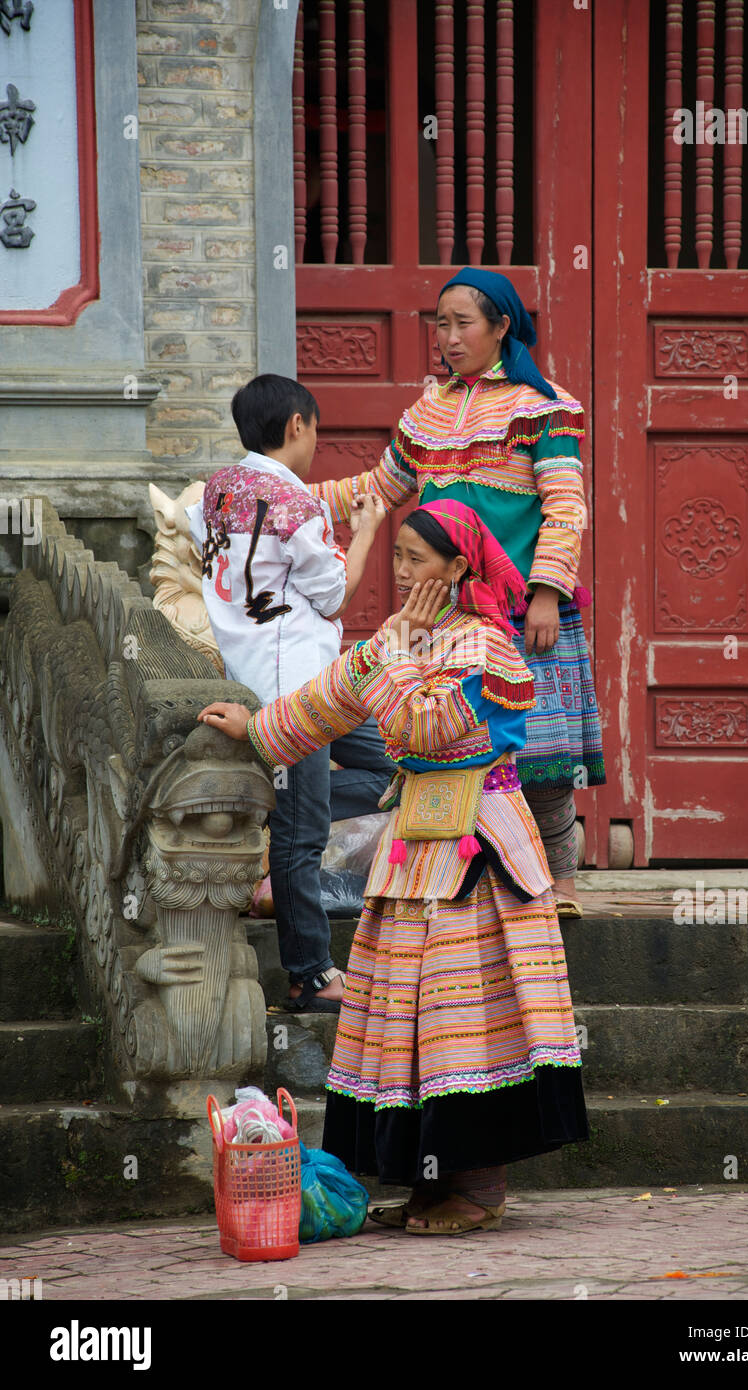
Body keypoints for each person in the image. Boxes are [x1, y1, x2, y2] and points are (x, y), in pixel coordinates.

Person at [199, 499, 589, 1236]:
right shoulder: (407, 639)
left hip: (477, 856)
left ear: (459, 566)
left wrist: (397, 652)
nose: (402, 570)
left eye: (416, 558)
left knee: (465, 1020)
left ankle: (478, 1189)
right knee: (407, 1017)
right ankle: (429, 1186)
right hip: (415, 850)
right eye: (399, 555)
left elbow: (423, 726)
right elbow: (332, 697)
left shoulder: (490, 648)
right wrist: (255, 726)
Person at [308, 268, 605, 917]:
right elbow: (376, 491)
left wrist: (549, 591)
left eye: (461, 322)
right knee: (453, 744)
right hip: (444, 615)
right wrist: (289, 501)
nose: (447, 336)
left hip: (526, 611)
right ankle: (475, 876)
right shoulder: (427, 414)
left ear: (501, 326)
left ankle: (563, 882)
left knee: (541, 757)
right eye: (440, 323)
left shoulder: (545, 408)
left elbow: (565, 506)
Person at [186, 373, 396, 1013]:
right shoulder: (295, 503)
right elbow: (333, 594)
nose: (316, 441)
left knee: (394, 763)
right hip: (299, 692)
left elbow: (228, 549)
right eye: (316, 428)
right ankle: (309, 974)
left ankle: (288, 815)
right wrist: (366, 530)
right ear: (297, 426)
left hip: (269, 673)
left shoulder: (217, 490)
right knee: (302, 841)